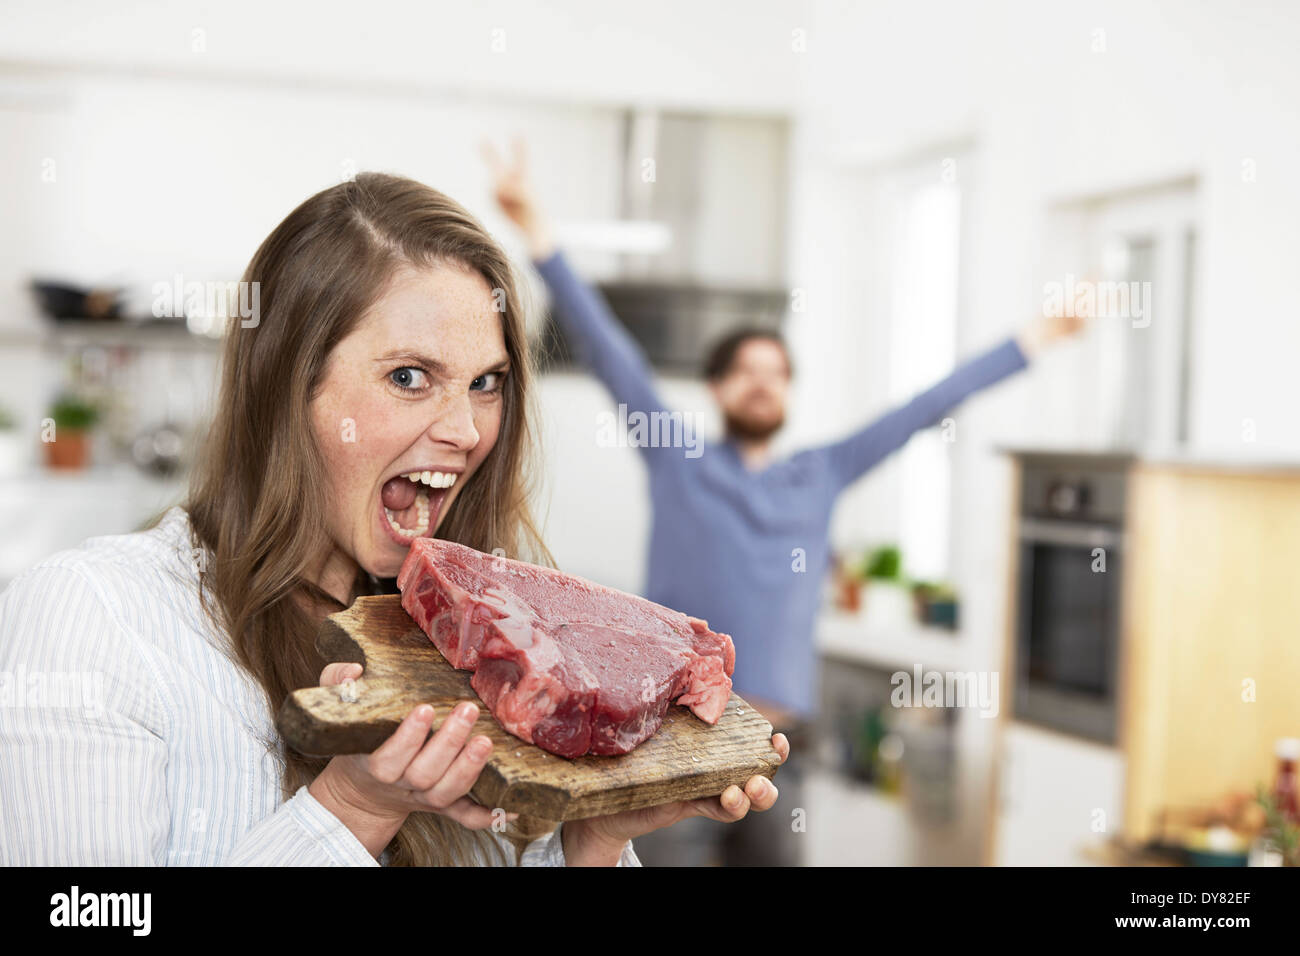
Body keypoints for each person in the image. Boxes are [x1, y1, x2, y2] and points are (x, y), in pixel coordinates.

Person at [0, 172, 787, 866]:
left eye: (487, 382)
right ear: (287, 384)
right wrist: (352, 812)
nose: (468, 429)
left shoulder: (483, 651)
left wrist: (595, 843)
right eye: (410, 377)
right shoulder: (91, 616)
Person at [487, 142, 1084, 864]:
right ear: (717, 389)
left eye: (776, 373)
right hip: (669, 745)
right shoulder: (681, 459)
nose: (762, 384)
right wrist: (538, 231)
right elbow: (611, 351)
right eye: (745, 372)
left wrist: (1038, 337)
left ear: (790, 392)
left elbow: (931, 404)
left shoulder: (824, 471)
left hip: (778, 751)